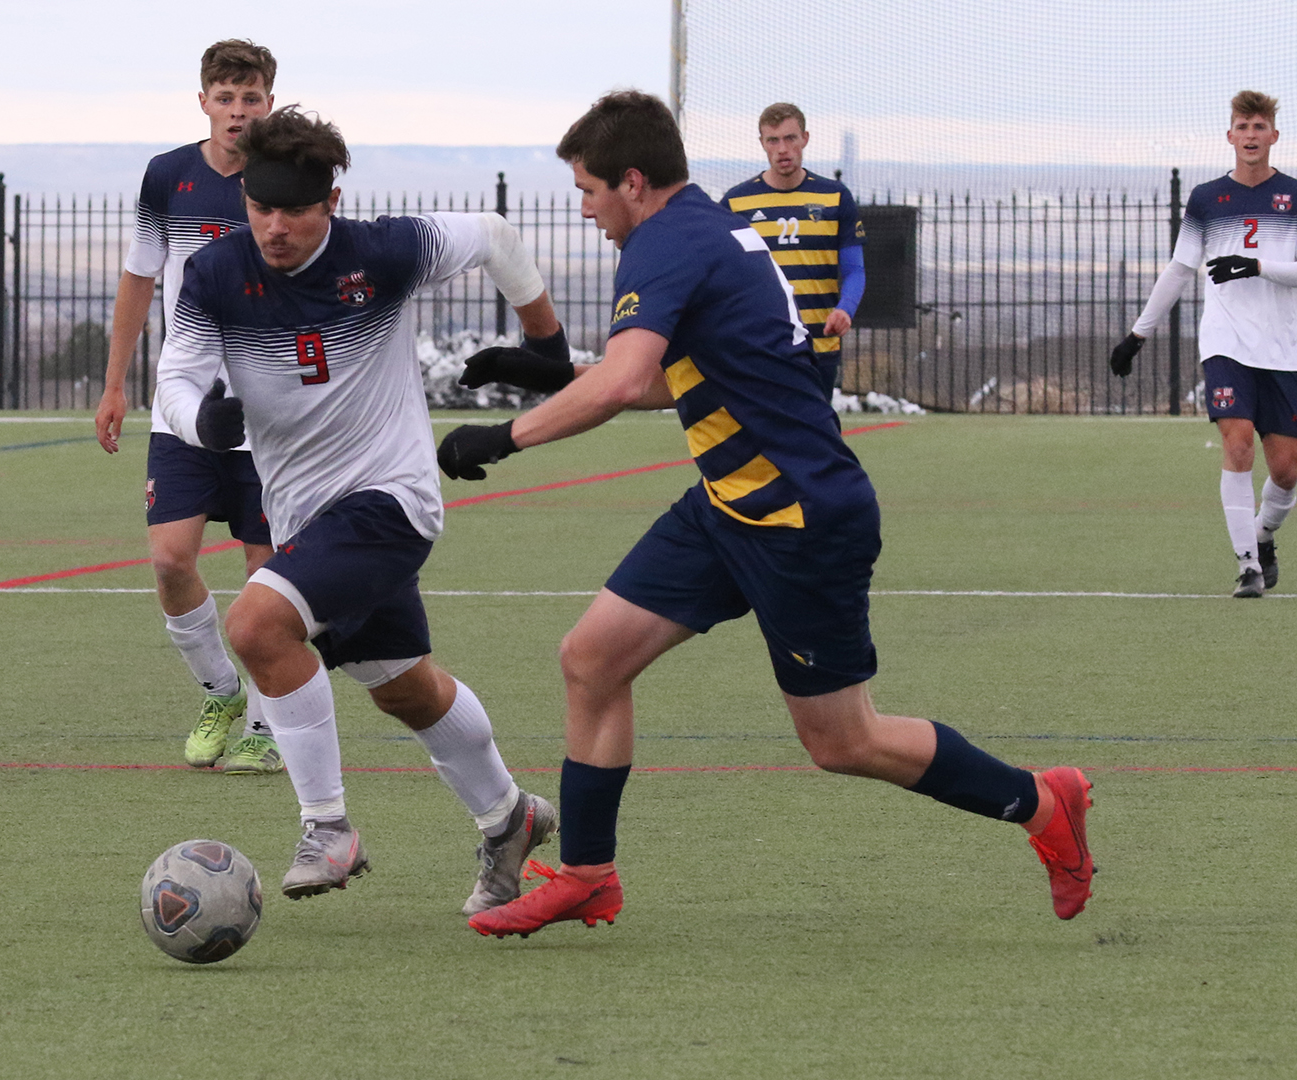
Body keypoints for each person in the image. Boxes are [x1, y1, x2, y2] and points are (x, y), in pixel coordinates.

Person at [436, 90, 1094, 938]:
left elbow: (633, 380)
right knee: (591, 659)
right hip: (725, 505)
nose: (588, 209)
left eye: (590, 191)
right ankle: (588, 875)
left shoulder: (665, 243)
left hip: (797, 516)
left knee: (843, 742)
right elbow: (674, 371)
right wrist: (562, 380)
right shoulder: (701, 225)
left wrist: (504, 436)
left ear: (633, 182)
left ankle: (1044, 803)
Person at [155, 107, 564, 911]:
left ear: (330, 202)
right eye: (260, 208)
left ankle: (328, 828)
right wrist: (196, 418)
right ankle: (510, 817)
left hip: (391, 501)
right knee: (404, 687)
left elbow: (491, 232)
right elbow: (175, 375)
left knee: (255, 626)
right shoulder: (214, 275)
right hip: (305, 519)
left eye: (295, 211)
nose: (275, 227)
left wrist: (545, 345)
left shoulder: (382, 251)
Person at [93, 40, 282, 773]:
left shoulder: (285, 177)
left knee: (268, 575)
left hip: (270, 416)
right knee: (171, 560)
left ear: (270, 101)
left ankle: (268, 728)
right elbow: (140, 278)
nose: (239, 111)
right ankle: (221, 692)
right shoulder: (166, 179)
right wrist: (115, 383)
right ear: (203, 100)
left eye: (252, 98)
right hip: (183, 409)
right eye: (226, 97)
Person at [1109, 90, 1297, 599]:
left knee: (1286, 469)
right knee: (1236, 444)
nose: (1252, 135)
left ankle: (1262, 536)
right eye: (1243, 126)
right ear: (1230, 136)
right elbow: (1179, 269)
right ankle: (1247, 568)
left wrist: (1258, 266)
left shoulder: (1294, 196)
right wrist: (1137, 334)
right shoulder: (1207, 198)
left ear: (1274, 136)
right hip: (1226, 344)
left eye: (1260, 127)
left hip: (1284, 350)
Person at [718, 102, 865, 392]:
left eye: (790, 138)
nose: (782, 148)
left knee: (815, 436)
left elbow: (855, 269)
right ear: (762, 143)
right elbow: (723, 276)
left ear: (805, 139)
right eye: (773, 140)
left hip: (819, 344)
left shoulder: (835, 197)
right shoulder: (736, 203)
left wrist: (845, 309)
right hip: (761, 347)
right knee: (763, 435)